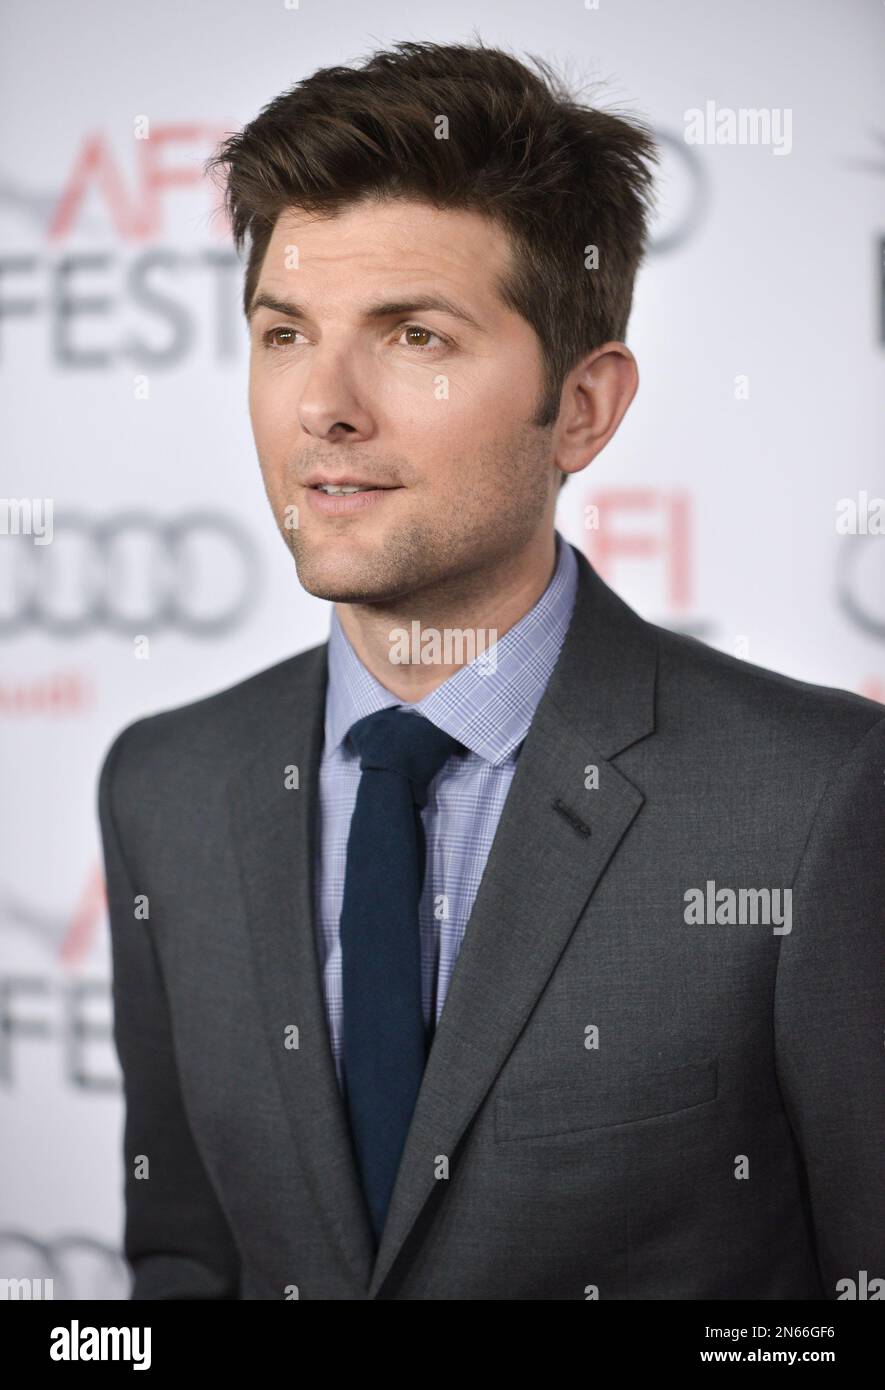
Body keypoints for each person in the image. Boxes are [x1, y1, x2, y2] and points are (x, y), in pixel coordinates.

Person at [98, 38, 884, 1300]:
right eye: (285, 331)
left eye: (415, 335)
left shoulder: (816, 802)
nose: (324, 406)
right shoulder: (165, 783)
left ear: (583, 407)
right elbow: (187, 1256)